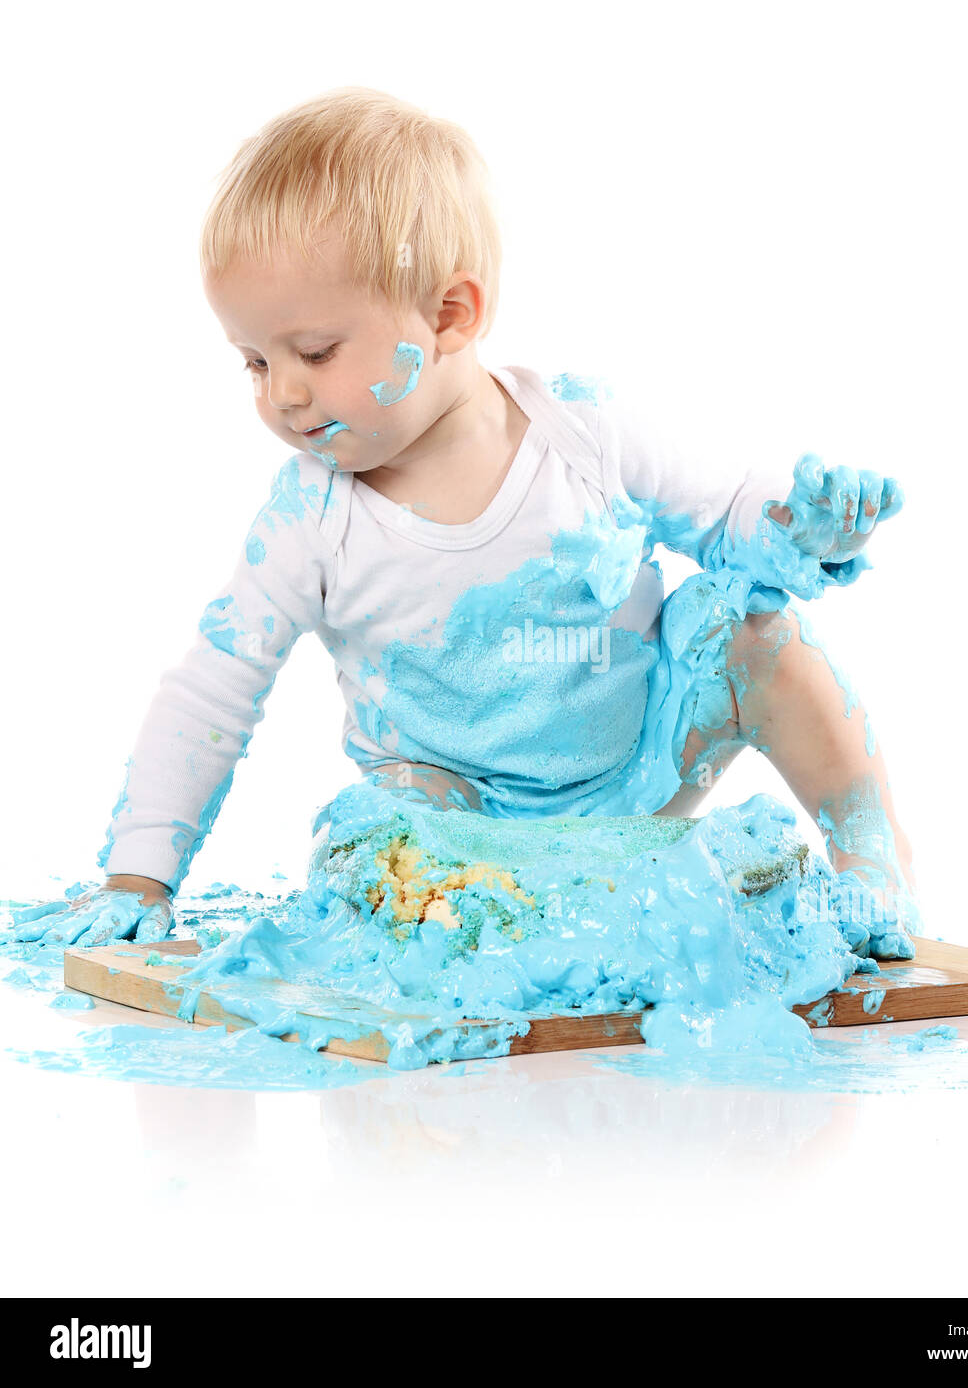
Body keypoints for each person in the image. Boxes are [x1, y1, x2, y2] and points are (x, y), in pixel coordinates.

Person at [19, 87, 916, 961]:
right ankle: (554, 911)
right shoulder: (310, 516)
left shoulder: (586, 436)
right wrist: (139, 877)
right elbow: (214, 688)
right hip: (457, 822)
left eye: (316, 353)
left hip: (641, 777)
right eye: (253, 361)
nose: (282, 393)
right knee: (367, 843)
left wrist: (807, 527)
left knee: (755, 627)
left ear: (451, 315)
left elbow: (729, 514)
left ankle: (871, 864)